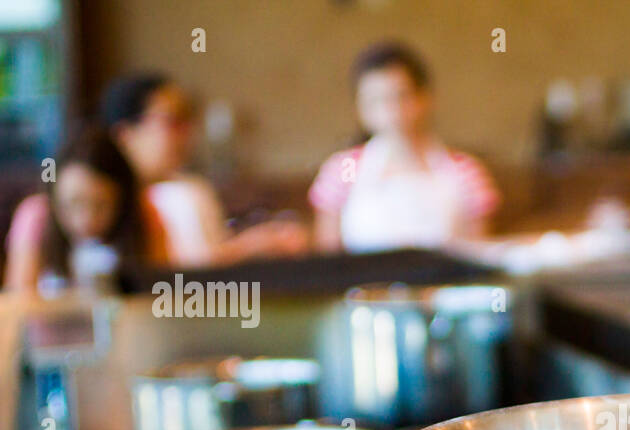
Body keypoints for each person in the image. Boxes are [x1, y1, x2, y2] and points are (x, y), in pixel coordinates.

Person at [100, 72, 308, 266]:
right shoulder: (108, 202)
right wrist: (254, 244)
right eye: (173, 121)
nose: (187, 133)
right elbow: (189, 272)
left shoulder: (190, 188)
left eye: (188, 120)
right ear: (125, 134)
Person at [309, 42, 500, 253]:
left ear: (424, 98)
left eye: (400, 97)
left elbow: (479, 256)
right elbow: (329, 256)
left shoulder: (467, 171)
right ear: (359, 107)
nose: (391, 111)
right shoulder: (342, 169)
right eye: (375, 101)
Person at [4, 127, 167, 293]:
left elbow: (159, 292)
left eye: (101, 205)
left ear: (123, 202)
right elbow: (18, 299)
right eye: (72, 203)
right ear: (54, 197)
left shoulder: (144, 215)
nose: (86, 220)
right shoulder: (36, 216)